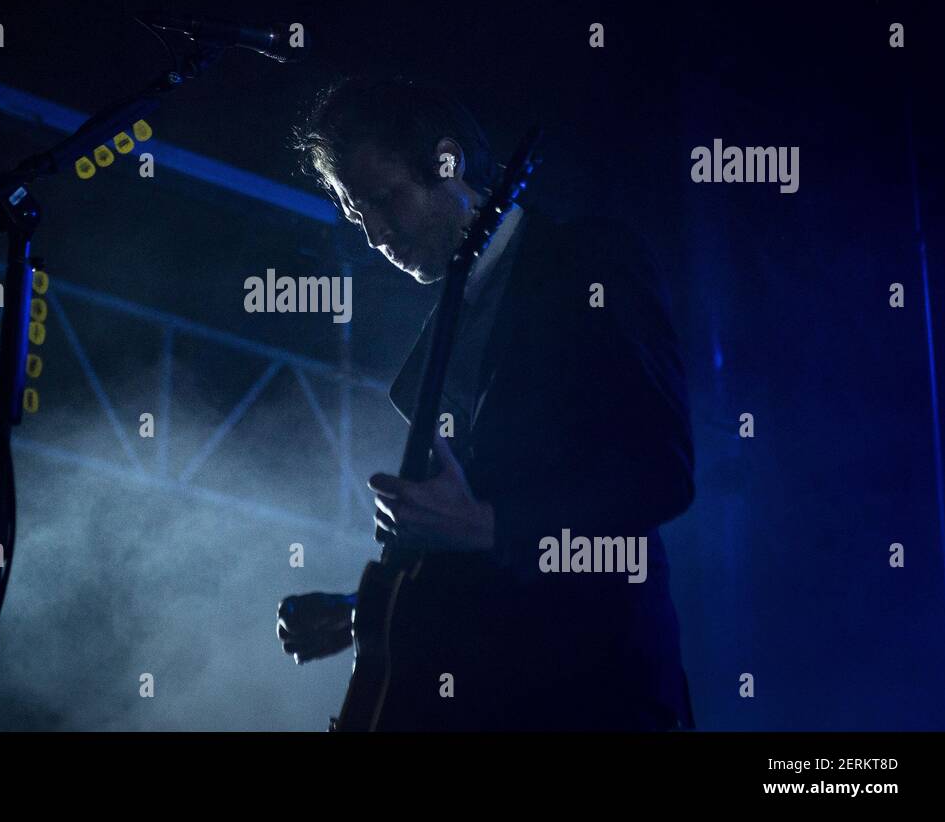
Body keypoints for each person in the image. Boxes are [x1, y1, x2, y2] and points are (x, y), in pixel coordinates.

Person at [277, 75, 696, 730]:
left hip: (594, 695)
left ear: (449, 163)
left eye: (388, 199)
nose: (377, 234)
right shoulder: (441, 340)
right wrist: (373, 612)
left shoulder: (585, 263)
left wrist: (493, 527)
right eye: (360, 216)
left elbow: (659, 475)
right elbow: (469, 555)